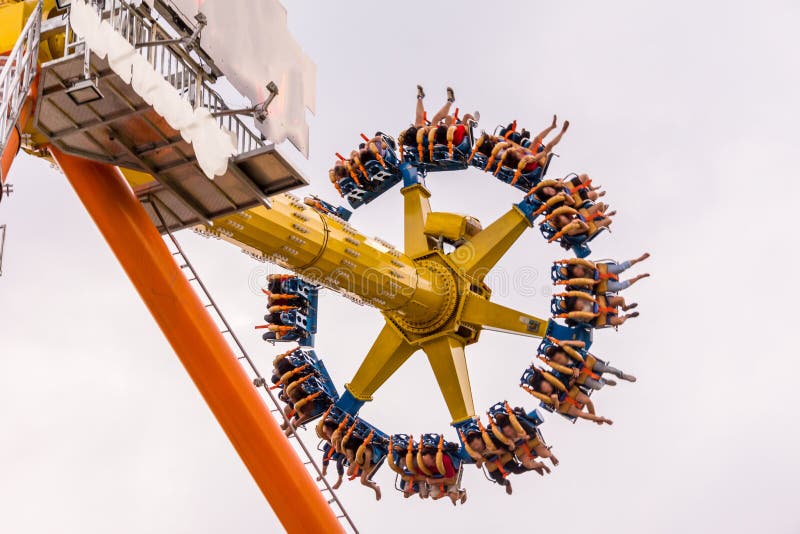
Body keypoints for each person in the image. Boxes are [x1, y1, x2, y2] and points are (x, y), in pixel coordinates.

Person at [522, 368, 614, 425]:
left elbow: (568, 384)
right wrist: (556, 401)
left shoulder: (556, 381)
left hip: (569, 392)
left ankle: (595, 418)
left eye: (546, 384)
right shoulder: (545, 398)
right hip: (564, 406)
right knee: (580, 414)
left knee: (588, 401)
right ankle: (601, 419)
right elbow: (555, 407)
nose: (546, 387)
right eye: (543, 388)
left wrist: (575, 375)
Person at [540, 338, 636, 390]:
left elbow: (582, 344)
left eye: (559, 357)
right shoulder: (559, 369)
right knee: (597, 386)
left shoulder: (568, 348)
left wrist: (565, 342)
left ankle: (621, 375)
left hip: (586, 362)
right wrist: (574, 377)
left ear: (561, 353)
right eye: (557, 360)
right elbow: (567, 385)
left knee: (608, 369)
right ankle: (604, 381)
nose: (560, 361)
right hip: (581, 375)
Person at [460, 423, 524, 495]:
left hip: (503, 458)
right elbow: (478, 466)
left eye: (477, 444)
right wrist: (479, 460)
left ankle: (533, 467)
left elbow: (505, 450)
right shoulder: (473, 451)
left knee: (517, 470)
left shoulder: (491, 439)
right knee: (500, 481)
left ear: (480, 439)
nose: (476, 448)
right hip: (493, 466)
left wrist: (493, 452)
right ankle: (507, 483)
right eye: (474, 447)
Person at [560, 253, 650, 293]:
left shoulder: (581, 265)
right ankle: (638, 278)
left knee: (620, 268)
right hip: (599, 285)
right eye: (577, 273)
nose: (579, 272)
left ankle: (638, 259)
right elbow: (589, 290)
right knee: (619, 287)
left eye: (578, 269)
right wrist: (592, 283)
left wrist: (595, 270)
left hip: (601, 270)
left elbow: (591, 262)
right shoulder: (578, 283)